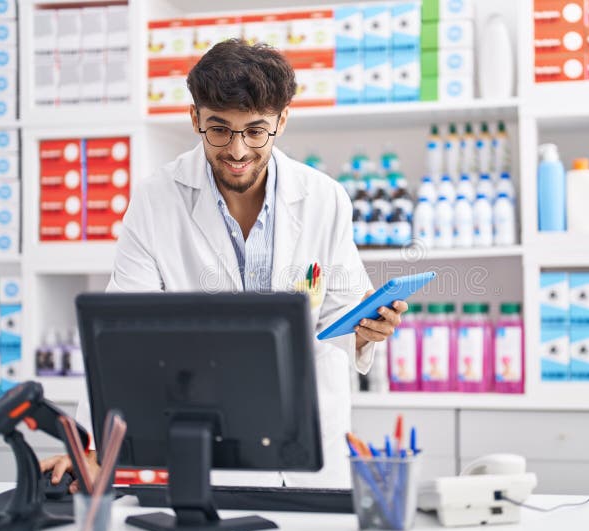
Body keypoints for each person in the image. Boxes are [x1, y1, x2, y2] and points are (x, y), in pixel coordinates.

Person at [41, 39, 406, 491]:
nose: (237, 150)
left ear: (282, 121)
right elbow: (118, 335)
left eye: (255, 131)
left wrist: (367, 328)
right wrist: (96, 448)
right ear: (194, 118)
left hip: (307, 452)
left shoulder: (325, 199)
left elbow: (339, 316)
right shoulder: (157, 200)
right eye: (219, 129)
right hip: (201, 440)